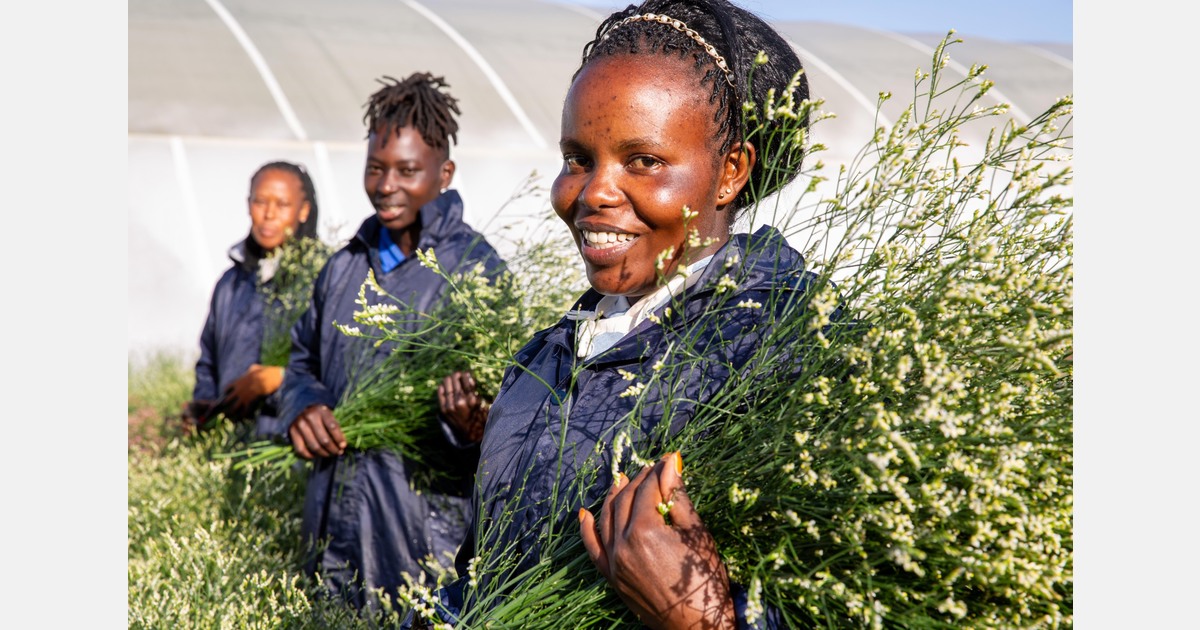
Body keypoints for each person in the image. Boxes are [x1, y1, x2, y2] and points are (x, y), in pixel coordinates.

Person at [412, 0, 817, 627]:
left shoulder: (789, 355)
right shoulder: (549, 353)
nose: (594, 192)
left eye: (643, 161)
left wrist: (706, 620)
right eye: (578, 157)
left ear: (731, 171)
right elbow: (481, 571)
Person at [277, 72, 505, 611]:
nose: (385, 185)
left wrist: (469, 425)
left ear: (444, 174)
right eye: (375, 169)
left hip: (419, 537)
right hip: (331, 523)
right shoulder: (343, 266)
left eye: (407, 171)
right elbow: (300, 362)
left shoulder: (476, 270)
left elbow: (503, 412)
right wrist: (303, 405)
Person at [185, 161, 320, 441]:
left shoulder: (321, 277)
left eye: (282, 205)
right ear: (249, 204)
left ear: (304, 210)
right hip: (231, 445)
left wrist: (277, 380)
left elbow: (331, 365)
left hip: (287, 442)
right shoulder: (231, 283)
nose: (269, 214)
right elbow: (208, 360)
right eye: (260, 202)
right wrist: (206, 407)